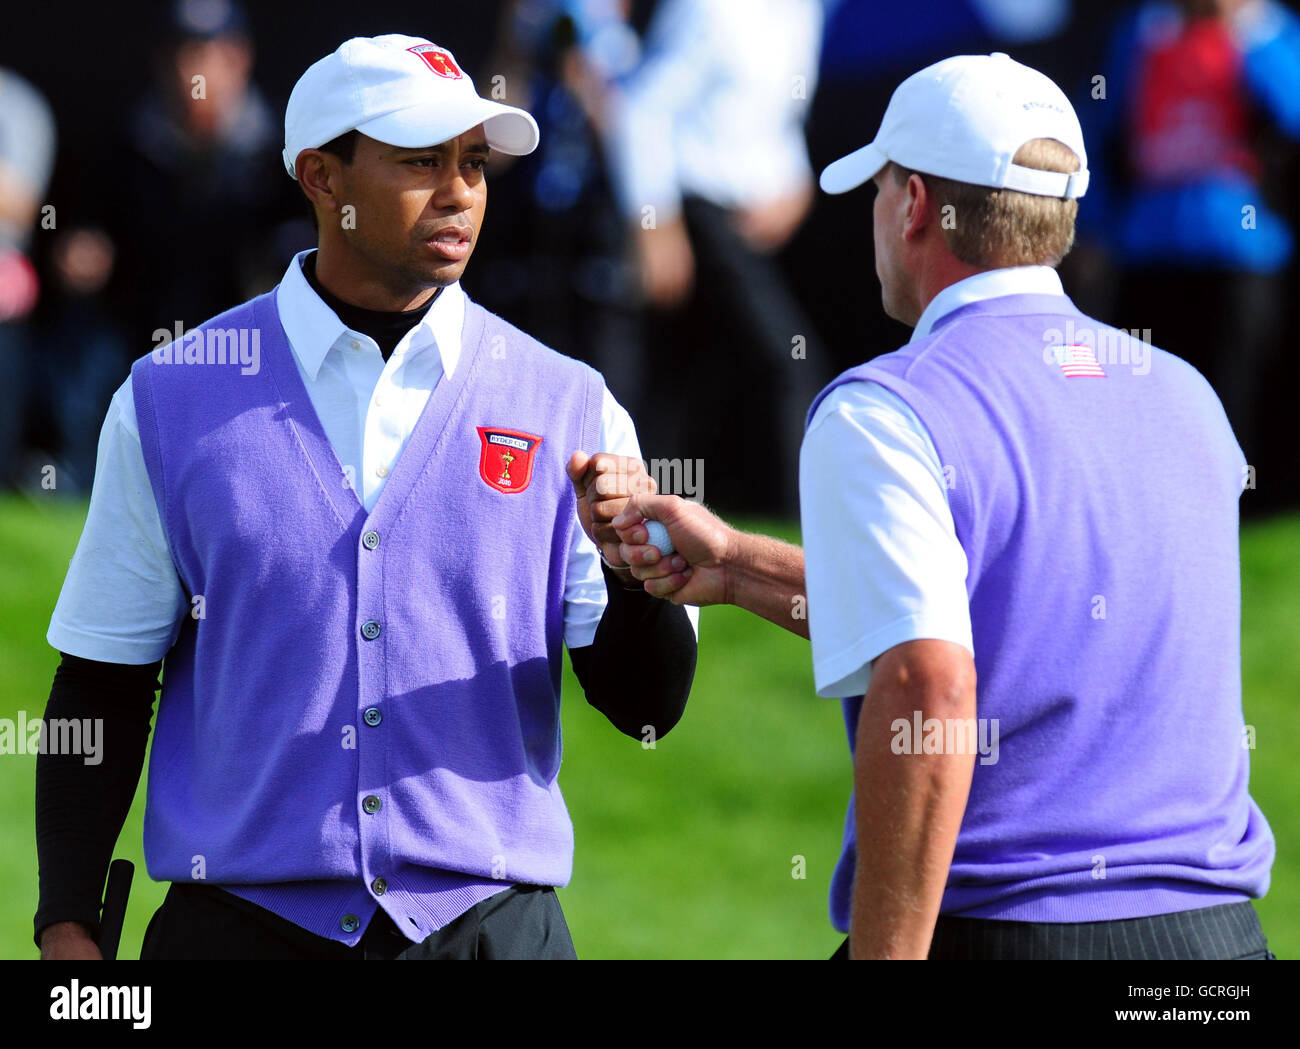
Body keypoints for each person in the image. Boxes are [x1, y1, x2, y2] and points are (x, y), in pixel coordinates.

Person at [34, 33, 697, 961]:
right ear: (323, 178)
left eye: (474, 162)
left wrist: (636, 581)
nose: (461, 190)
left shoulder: (572, 405)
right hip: (237, 934)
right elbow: (103, 679)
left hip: (494, 934)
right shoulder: (169, 397)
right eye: (421, 161)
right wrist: (65, 921)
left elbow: (645, 710)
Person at [613, 52, 1275, 960]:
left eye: (883, 188)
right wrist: (734, 566)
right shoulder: (1185, 394)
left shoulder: (884, 408)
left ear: (916, 204)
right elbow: (1019, 618)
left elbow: (932, 677)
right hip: (1220, 950)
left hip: (1009, 934)